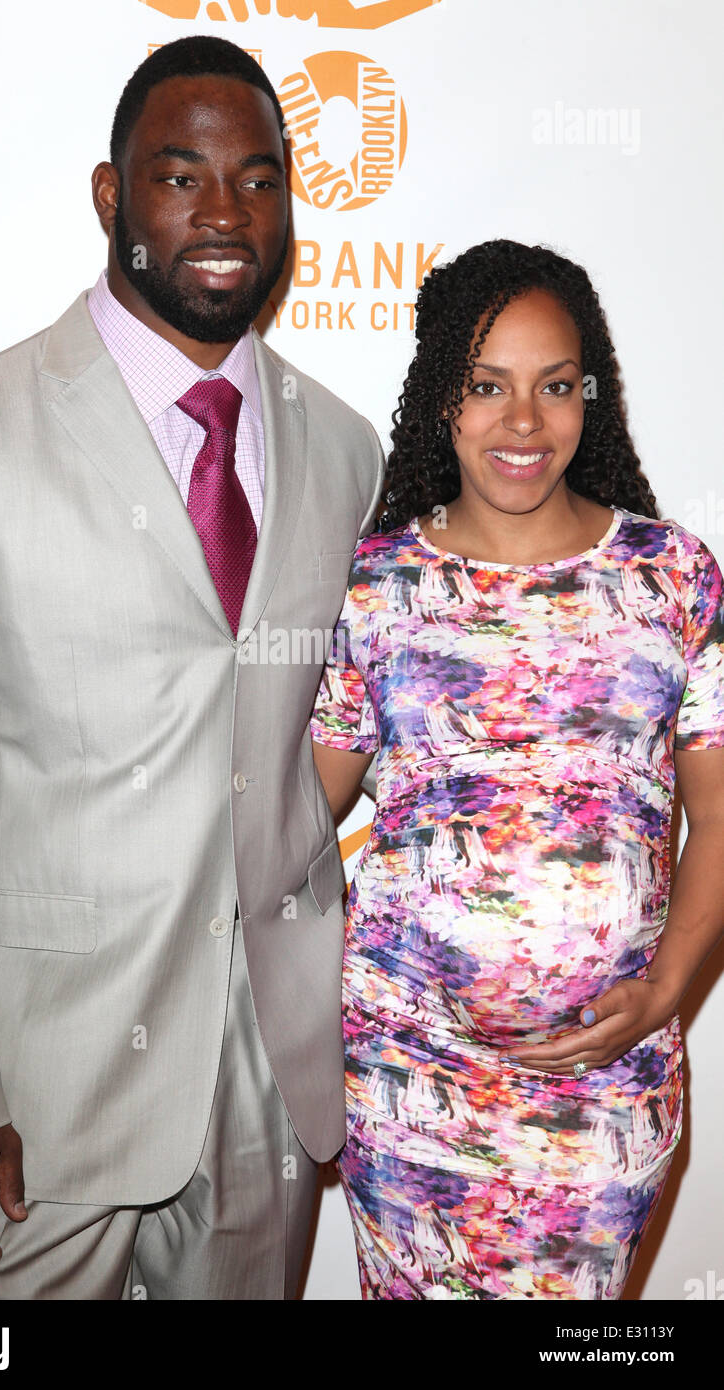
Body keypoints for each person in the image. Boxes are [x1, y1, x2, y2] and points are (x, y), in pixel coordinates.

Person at [0, 35, 384, 1300]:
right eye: (181, 175)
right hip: (27, 1109)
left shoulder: (344, 450)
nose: (223, 213)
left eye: (259, 180)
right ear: (111, 196)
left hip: (266, 1086)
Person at [310, 238, 724, 1300]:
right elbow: (298, 812)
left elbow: (719, 816)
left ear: (592, 394)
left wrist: (666, 991)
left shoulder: (670, 576)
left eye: (553, 386)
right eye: (484, 386)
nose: (522, 423)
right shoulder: (374, 581)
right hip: (409, 1083)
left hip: (604, 1088)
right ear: (439, 395)